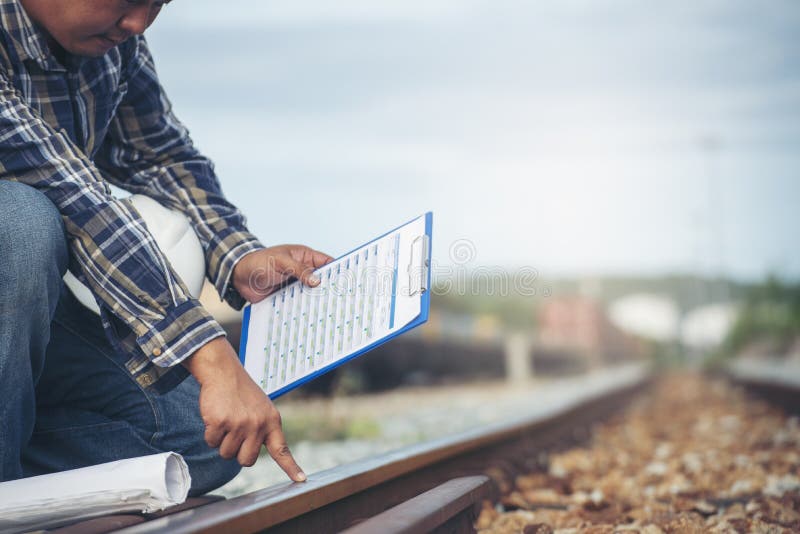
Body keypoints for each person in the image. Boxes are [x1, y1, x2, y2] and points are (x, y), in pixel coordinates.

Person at [0, 0, 332, 494]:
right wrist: (210, 353)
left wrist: (238, 254)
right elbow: (77, 200)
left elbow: (157, 156)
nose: (137, 23)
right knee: (22, 221)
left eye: (157, 3)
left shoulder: (113, 40)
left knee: (202, 442)